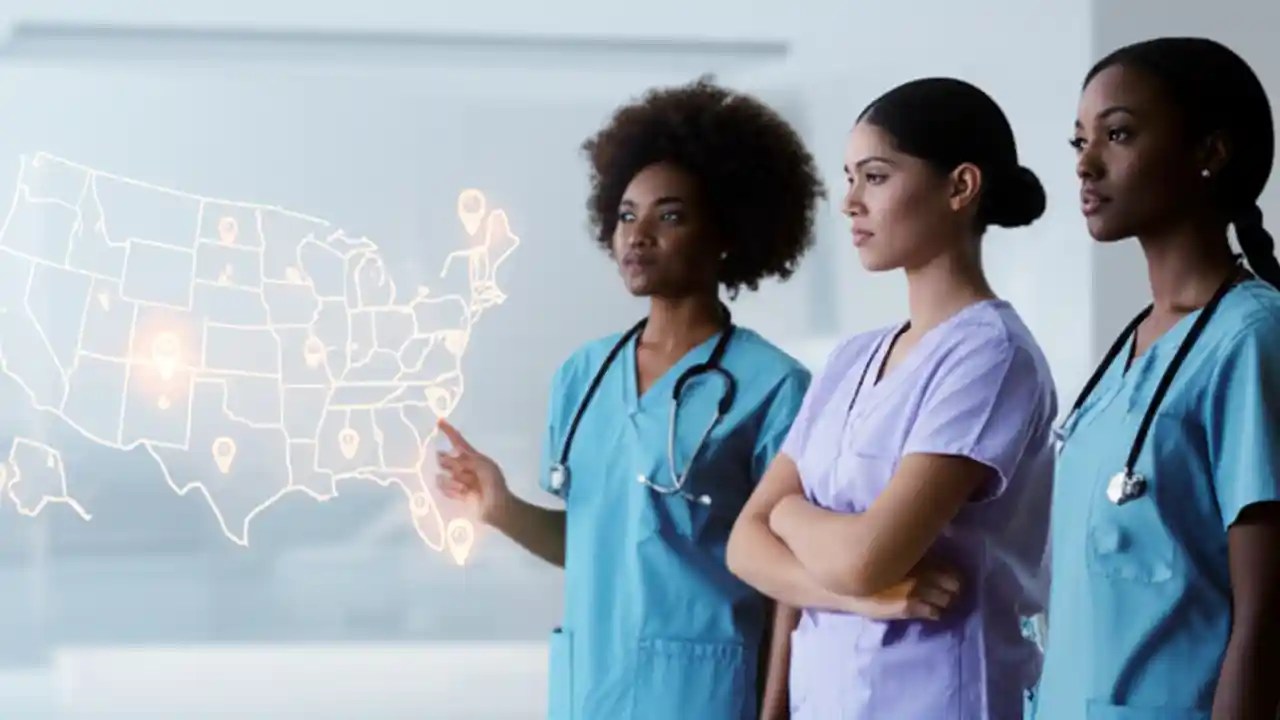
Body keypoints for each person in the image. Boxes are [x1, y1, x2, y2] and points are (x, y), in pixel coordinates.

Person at [434, 77, 824, 720]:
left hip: (707, 693)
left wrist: (778, 704)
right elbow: (597, 546)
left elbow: (792, 579)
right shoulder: (582, 376)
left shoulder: (774, 387)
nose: (637, 235)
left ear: (726, 233)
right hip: (591, 688)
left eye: (669, 216)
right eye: (626, 216)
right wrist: (501, 508)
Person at [726, 77, 1059, 719]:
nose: (849, 202)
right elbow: (745, 544)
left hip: (937, 698)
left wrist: (791, 515)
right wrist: (860, 599)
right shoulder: (851, 360)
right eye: (848, 178)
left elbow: (866, 558)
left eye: (875, 177)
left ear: (961, 187)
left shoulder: (990, 355)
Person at [1033, 37, 1280, 720]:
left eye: (1117, 135)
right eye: (1079, 140)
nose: (1084, 164)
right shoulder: (1134, 346)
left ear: (1210, 152)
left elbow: (1267, 621)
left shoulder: (1251, 339)